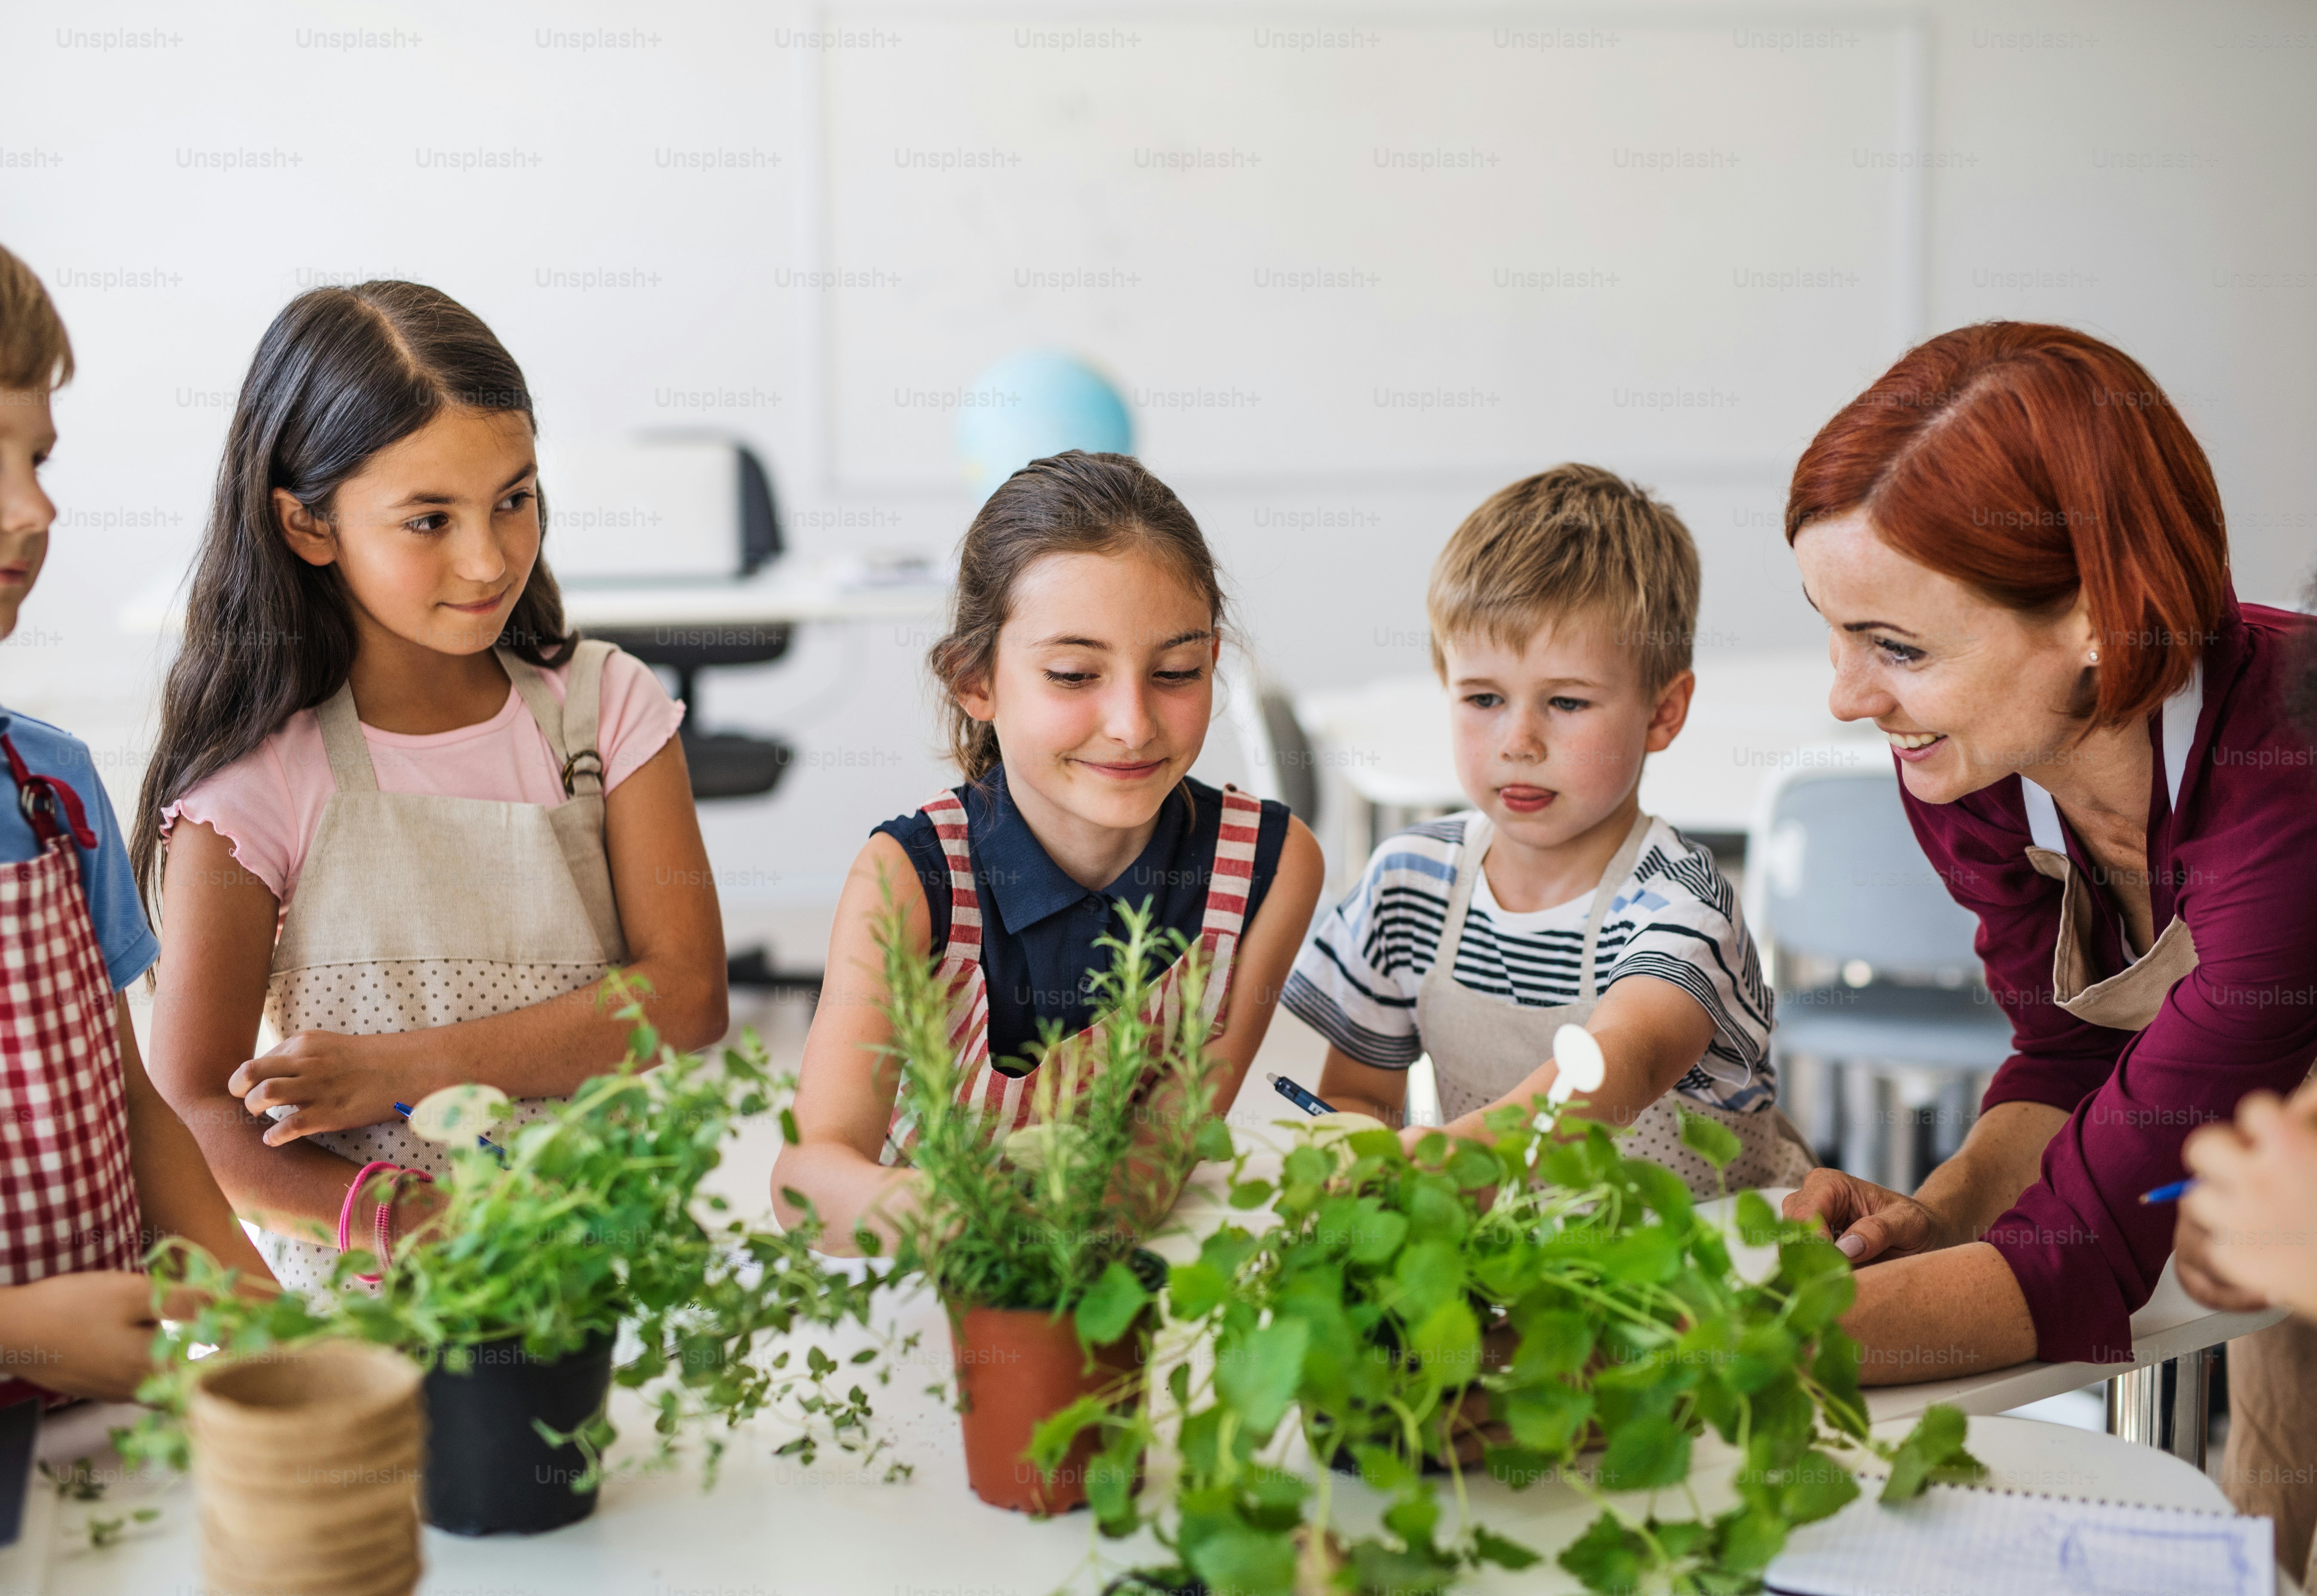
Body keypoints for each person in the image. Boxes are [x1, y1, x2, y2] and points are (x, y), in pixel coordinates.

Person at [1773, 322, 2317, 1569]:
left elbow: (2086, 1254)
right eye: (1834, 630)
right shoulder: (1969, 768)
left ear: (2092, 617)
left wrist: (1686, 1342)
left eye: (1895, 647)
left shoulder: (2283, 785)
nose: (1845, 698)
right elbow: (2070, 1063)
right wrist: (1930, 1218)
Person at [137, 282, 727, 1293]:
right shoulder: (257, 775)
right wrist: (411, 1217)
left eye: (514, 498)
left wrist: (400, 1067)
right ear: (309, 526)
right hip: (359, 1298)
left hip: (575, 1266)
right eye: (428, 520)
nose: (489, 557)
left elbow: (686, 995)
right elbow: (194, 1107)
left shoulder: (606, 706)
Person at [771, 451, 1324, 1252]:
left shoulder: (1270, 867)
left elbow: (1157, 1157)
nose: (1133, 724)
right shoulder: (909, 879)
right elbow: (808, 1180)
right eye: (1073, 675)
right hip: (921, 1280)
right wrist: (986, 1232)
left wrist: (1065, 1252)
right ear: (975, 680)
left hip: (1115, 1270)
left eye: (1177, 670)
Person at [1283, 464, 1814, 1196]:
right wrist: (1361, 1163)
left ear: (1663, 713)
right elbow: (1355, 1100)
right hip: (1526, 1263)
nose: (1519, 741)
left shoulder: (1683, 909)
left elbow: (1614, 1067)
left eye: (1566, 702)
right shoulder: (1409, 883)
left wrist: (1451, 1159)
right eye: (1483, 698)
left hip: (1706, 1262)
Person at [0, 242, 273, 1404]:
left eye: (38, 456)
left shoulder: (48, 789)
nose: (34, 507)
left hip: (104, 1431)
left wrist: (263, 1316)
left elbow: (131, 1099)